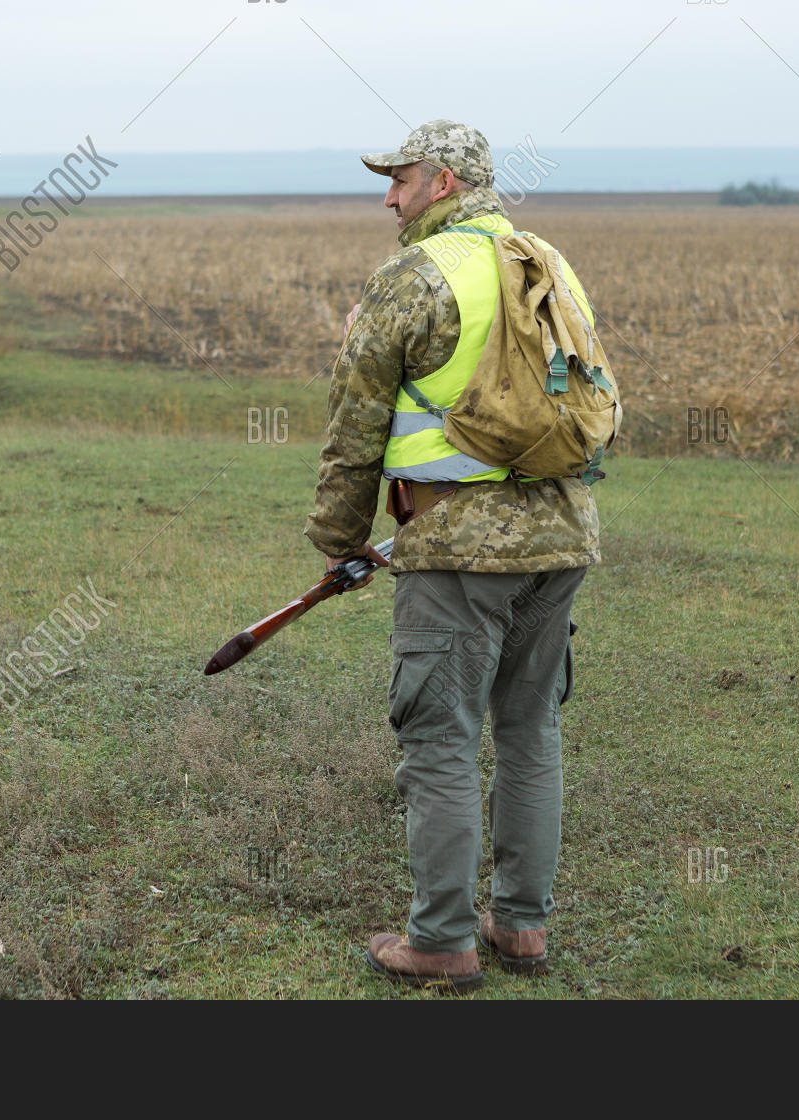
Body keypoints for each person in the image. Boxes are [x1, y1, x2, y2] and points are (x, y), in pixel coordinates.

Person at [305, 120, 604, 992]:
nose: (387, 198)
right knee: (530, 731)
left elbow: (354, 428)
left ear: (442, 183)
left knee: (439, 738)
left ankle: (440, 941)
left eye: (399, 180)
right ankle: (522, 928)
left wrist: (340, 541)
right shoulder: (549, 261)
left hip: (456, 548)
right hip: (562, 534)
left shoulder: (413, 276)